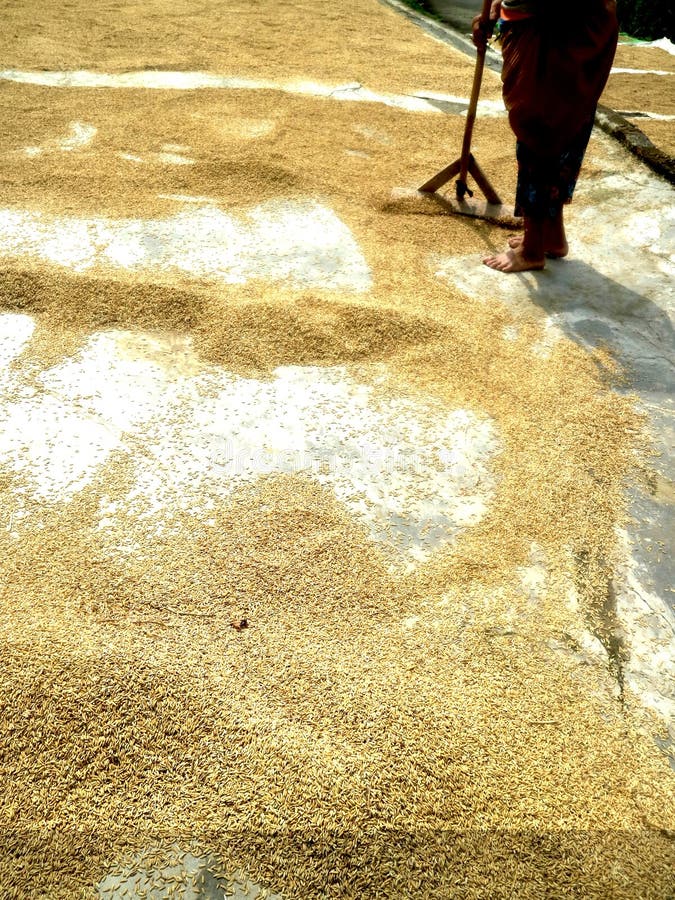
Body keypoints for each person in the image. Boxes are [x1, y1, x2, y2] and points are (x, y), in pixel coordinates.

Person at [472, 0, 619, 272]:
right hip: (579, 29)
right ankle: (551, 235)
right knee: (565, 126)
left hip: (560, 29)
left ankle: (532, 248)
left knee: (540, 126)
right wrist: (496, 11)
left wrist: (501, 12)